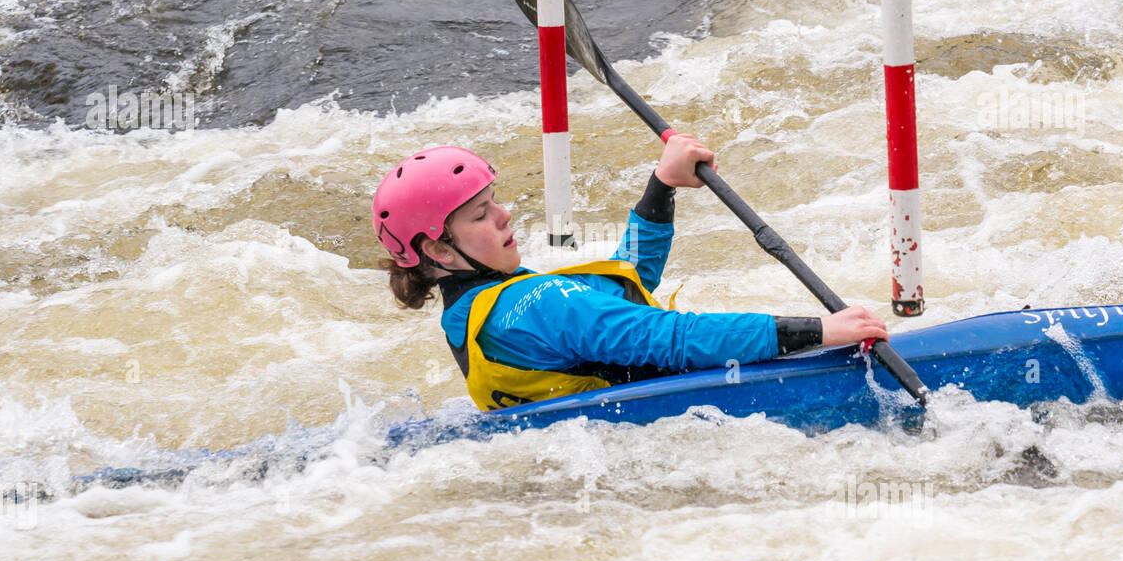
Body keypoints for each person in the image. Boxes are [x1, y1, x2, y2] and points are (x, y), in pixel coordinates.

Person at [374, 136, 888, 410]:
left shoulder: (487, 311)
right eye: (481, 215)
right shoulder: (536, 306)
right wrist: (818, 331)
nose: (504, 215)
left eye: (495, 202)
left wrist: (661, 185)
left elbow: (622, 280)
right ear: (440, 250)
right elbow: (672, 338)